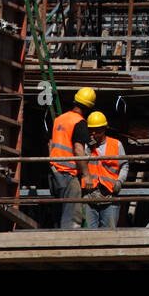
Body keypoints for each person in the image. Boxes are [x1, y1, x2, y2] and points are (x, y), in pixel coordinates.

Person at [49, 86, 96, 229]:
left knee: (59, 215)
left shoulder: (59, 119)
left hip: (54, 173)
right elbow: (78, 149)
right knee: (71, 217)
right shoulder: (79, 122)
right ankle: (69, 247)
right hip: (68, 174)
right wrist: (87, 175)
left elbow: (50, 144)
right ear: (89, 107)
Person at [83, 111, 128, 228]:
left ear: (104, 129)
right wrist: (88, 149)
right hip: (89, 196)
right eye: (91, 130)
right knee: (88, 235)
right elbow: (81, 164)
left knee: (109, 234)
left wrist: (119, 181)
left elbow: (124, 165)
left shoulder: (116, 145)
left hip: (109, 195)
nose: (93, 133)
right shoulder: (86, 146)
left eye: (96, 130)